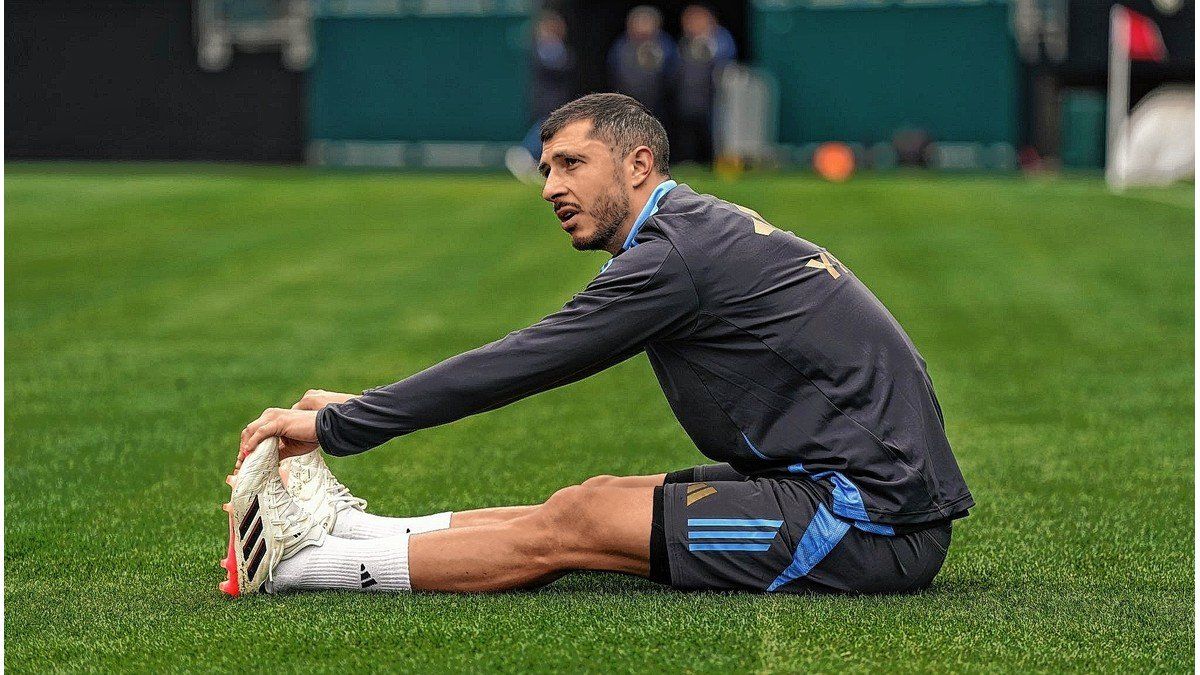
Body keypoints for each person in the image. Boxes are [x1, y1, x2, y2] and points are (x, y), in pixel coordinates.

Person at [223, 93, 973, 597]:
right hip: (837, 479)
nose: (550, 185)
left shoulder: (674, 258)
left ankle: (305, 565)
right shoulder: (690, 232)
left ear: (640, 164)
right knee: (589, 498)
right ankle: (357, 530)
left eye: (572, 164)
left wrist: (339, 423)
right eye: (546, 167)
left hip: (873, 520)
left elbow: (524, 360)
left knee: (576, 527)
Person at [507, 9, 577, 183]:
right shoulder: (542, 48)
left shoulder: (558, 47)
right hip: (546, 99)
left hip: (557, 99)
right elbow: (557, 67)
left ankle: (538, 163)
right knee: (545, 129)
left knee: (550, 131)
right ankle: (524, 153)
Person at [674, 5, 737, 164]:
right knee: (687, 134)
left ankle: (715, 162)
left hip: (715, 99)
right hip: (689, 99)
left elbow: (725, 60)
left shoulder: (721, 39)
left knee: (714, 132)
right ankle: (688, 161)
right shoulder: (685, 43)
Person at [606, 6, 676, 122]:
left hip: (658, 105)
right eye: (638, 22)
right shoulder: (621, 45)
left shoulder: (666, 45)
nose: (642, 27)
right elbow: (613, 70)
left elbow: (672, 74)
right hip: (627, 104)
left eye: (646, 22)